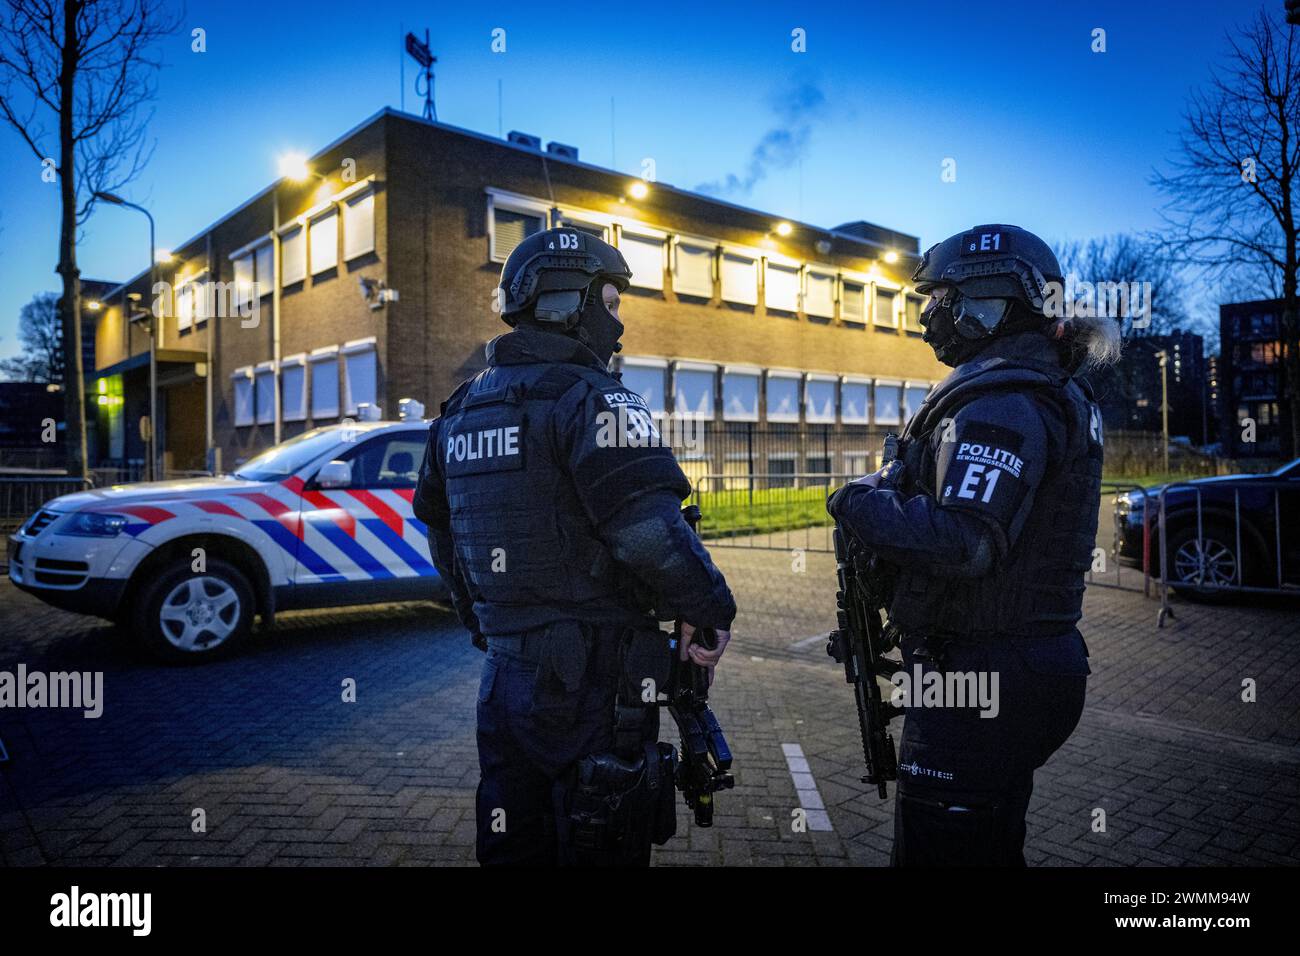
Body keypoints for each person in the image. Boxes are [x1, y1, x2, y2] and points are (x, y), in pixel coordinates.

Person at [414, 227, 736, 866]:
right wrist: (713, 607)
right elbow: (648, 533)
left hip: (503, 679)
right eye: (610, 304)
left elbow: (443, 535)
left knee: (514, 843)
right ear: (569, 304)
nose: (618, 323)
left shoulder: (458, 411)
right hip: (592, 681)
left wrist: (487, 624)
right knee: (600, 839)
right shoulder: (595, 399)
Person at [828, 224, 1121, 866]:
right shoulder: (1033, 387)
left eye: (939, 298)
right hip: (1015, 666)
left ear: (988, 301)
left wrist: (854, 501)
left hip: (987, 671)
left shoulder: (1005, 404)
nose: (928, 316)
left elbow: (965, 542)